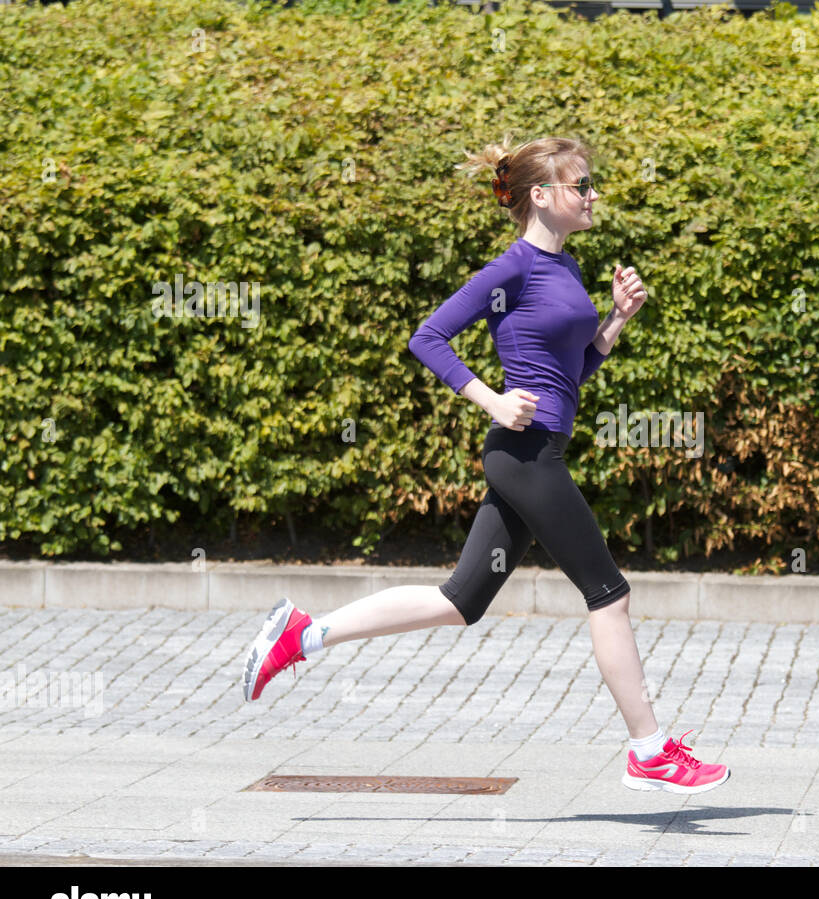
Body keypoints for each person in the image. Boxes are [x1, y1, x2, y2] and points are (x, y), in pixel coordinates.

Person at [240, 133, 729, 794]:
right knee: (610, 595)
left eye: (589, 185)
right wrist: (493, 401)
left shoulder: (567, 268)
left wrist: (615, 321)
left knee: (460, 601)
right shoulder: (515, 268)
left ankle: (303, 635)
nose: (592, 195)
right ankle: (649, 751)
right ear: (541, 196)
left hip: (538, 451)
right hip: (524, 456)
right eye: (580, 185)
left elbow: (570, 371)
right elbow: (428, 336)